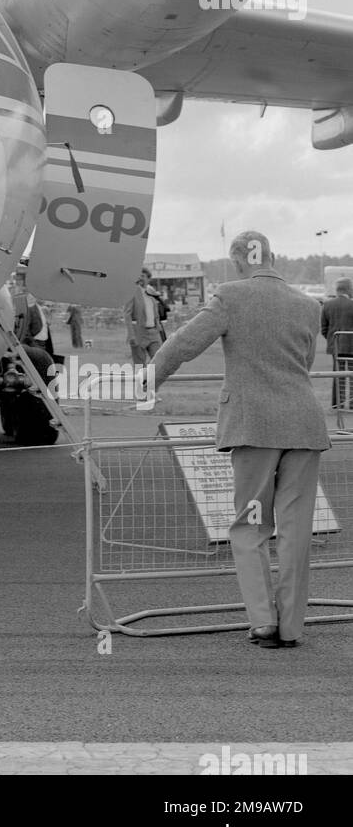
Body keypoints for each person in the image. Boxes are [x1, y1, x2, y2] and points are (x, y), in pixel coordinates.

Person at [150, 230, 331, 650]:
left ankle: (263, 621)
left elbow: (184, 345)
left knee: (250, 526)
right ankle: (292, 626)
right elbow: (302, 362)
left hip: (253, 426)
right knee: (296, 529)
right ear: (274, 255)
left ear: (237, 260)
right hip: (303, 425)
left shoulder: (230, 295)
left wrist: (148, 382)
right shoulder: (308, 304)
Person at [320, 278, 353, 410]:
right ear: (348, 289)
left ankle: (337, 403)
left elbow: (323, 328)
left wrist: (332, 340)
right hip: (351, 346)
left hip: (335, 346)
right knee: (352, 375)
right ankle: (351, 404)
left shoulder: (327, 305)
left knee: (337, 375)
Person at [126, 269, 164, 363]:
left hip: (153, 332)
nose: (140, 278)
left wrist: (158, 325)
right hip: (139, 333)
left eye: (143, 276)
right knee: (140, 365)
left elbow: (155, 311)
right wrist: (131, 335)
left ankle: (153, 378)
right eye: (139, 276)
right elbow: (127, 315)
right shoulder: (131, 292)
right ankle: (142, 378)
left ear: (148, 279)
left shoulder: (151, 293)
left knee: (158, 362)